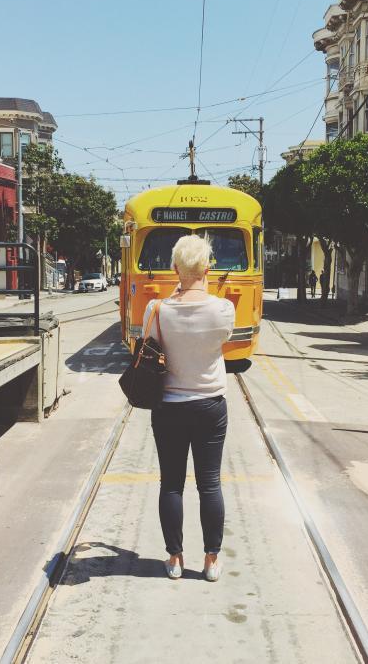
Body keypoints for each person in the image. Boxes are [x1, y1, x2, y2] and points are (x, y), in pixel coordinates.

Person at [143, 234, 235, 583]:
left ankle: (175, 558)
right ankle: (211, 561)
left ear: (174, 268)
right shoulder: (222, 309)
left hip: (169, 407)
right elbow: (222, 338)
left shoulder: (158, 309)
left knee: (171, 485)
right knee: (210, 484)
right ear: (208, 268)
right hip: (210, 405)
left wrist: (174, 297)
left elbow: (149, 347)